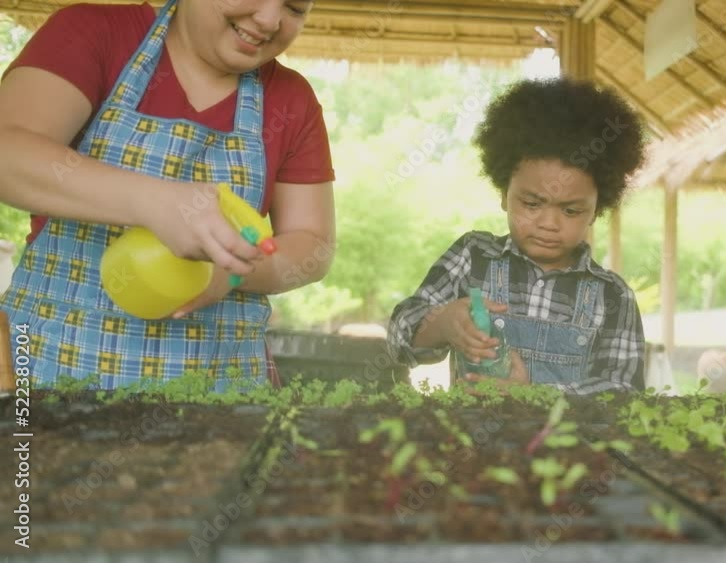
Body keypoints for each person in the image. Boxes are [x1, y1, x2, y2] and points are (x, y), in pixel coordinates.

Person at [0, 0, 335, 391]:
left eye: (295, 8)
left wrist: (228, 271)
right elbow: (10, 153)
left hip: (219, 397)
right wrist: (156, 203)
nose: (269, 19)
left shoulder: (292, 100)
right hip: (46, 375)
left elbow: (314, 245)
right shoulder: (94, 32)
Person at [386, 77, 648, 395]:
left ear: (597, 209)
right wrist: (441, 324)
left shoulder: (613, 297)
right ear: (503, 194)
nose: (549, 223)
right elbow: (399, 338)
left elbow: (622, 392)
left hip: (567, 446)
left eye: (570, 211)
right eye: (532, 204)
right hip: (468, 443)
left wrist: (534, 391)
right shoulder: (473, 257)